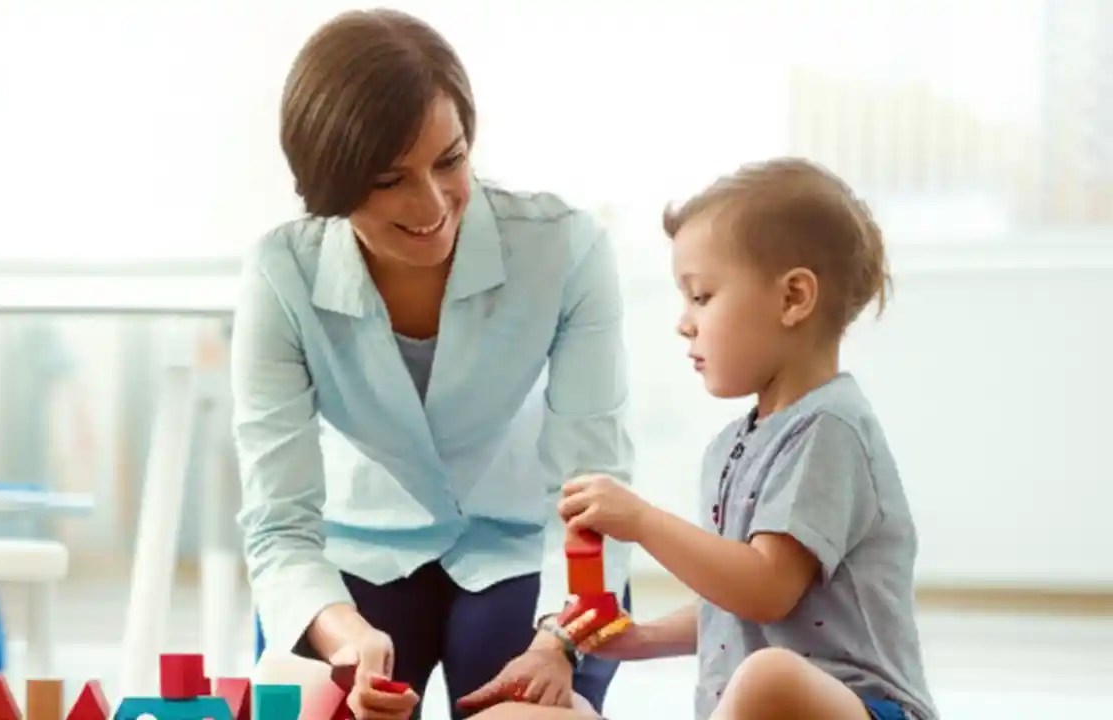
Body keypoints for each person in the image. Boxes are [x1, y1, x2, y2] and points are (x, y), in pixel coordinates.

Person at [230, 8, 633, 720]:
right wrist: (347, 637)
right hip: (359, 552)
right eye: (390, 179)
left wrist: (557, 641)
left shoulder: (565, 248)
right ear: (331, 179)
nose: (431, 205)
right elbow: (278, 523)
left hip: (526, 550)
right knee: (329, 704)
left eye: (450, 161)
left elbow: (593, 490)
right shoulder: (281, 275)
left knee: (526, 710)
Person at [472, 158, 939, 720]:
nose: (684, 322)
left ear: (793, 298)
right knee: (527, 714)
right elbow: (735, 604)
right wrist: (642, 639)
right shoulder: (735, 444)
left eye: (701, 296)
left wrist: (642, 521)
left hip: (864, 709)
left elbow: (765, 589)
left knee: (769, 677)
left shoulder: (829, 429)